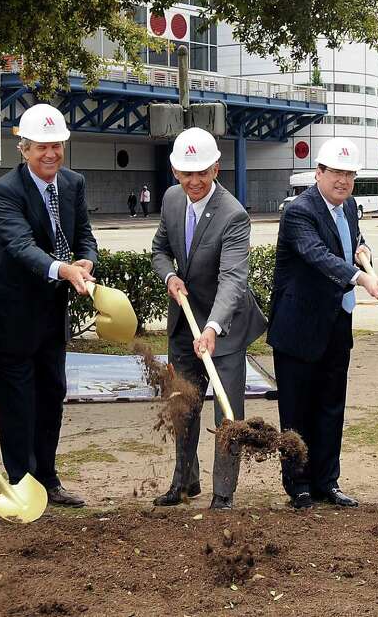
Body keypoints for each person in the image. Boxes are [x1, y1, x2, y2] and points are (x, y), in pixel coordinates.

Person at [0, 103, 98, 508]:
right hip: (10, 316)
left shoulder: (73, 183)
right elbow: (21, 247)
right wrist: (64, 270)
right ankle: (21, 485)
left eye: (57, 147)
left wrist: (85, 261)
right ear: (24, 149)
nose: (50, 155)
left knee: (51, 394)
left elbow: (84, 234)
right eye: (42, 148)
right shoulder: (3, 193)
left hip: (51, 313)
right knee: (17, 402)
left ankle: (48, 480)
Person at [150, 128, 267, 510]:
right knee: (183, 406)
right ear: (174, 171)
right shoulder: (170, 200)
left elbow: (233, 279)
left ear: (216, 168)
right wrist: (169, 276)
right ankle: (185, 482)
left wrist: (213, 328)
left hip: (225, 327)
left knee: (227, 411)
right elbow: (159, 250)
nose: (195, 181)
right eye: (187, 173)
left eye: (203, 171)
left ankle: (223, 493)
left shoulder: (233, 215)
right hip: (184, 324)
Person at [268, 137, 378, 509]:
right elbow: (317, 255)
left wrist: (363, 249)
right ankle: (298, 485)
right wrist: (359, 276)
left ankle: (327, 481)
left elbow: (352, 240)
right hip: (299, 327)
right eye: (336, 173)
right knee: (297, 410)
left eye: (349, 175)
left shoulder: (349, 207)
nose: (343, 181)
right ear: (318, 173)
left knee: (332, 406)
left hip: (337, 323)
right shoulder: (300, 211)